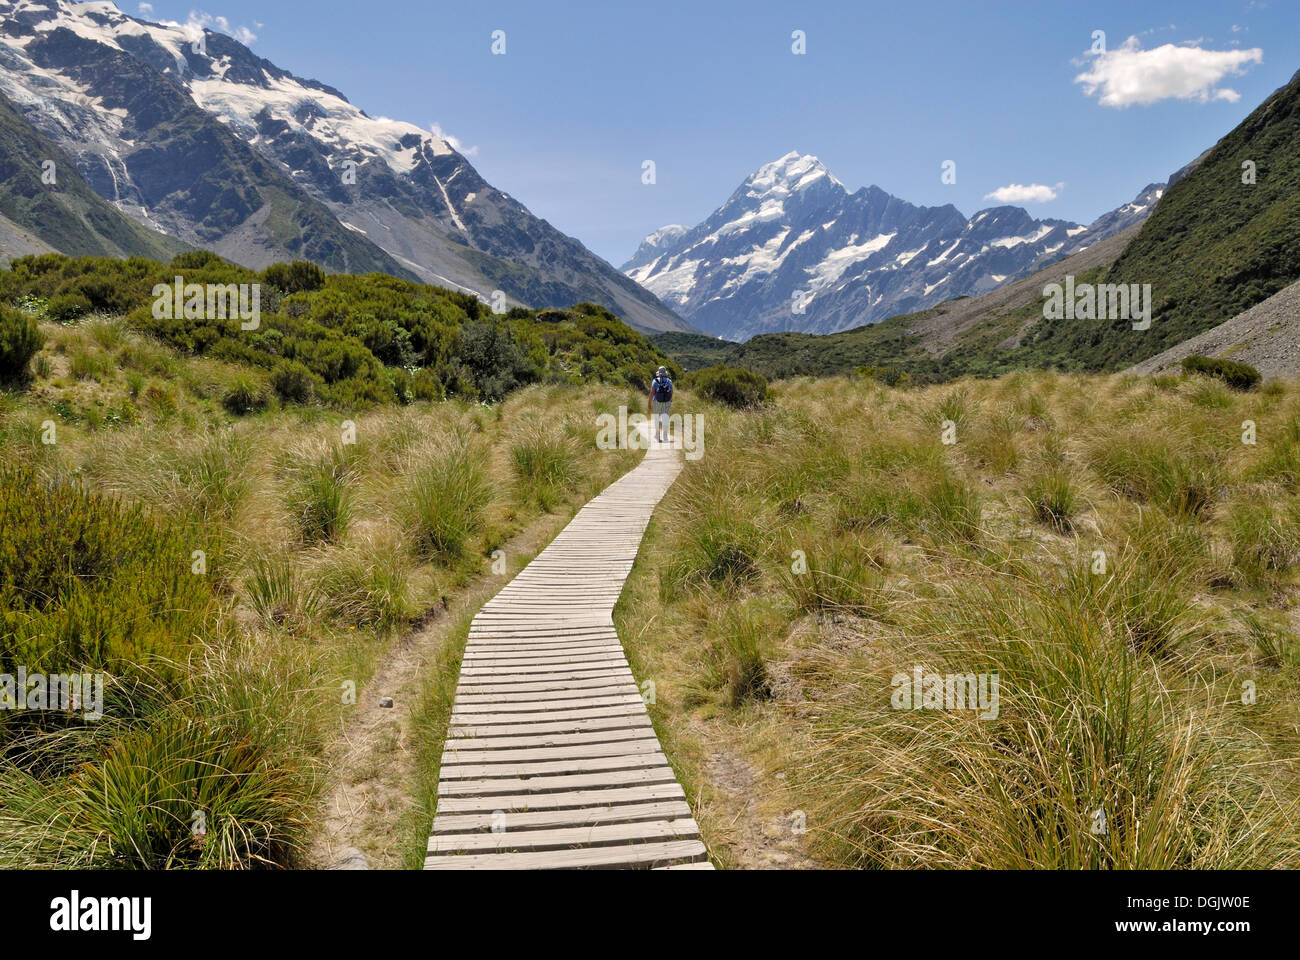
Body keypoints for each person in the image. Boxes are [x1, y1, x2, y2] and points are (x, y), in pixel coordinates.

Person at [648, 366, 674, 443]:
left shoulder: (655, 381)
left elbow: (652, 393)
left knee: (657, 419)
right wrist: (670, 400)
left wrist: (649, 403)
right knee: (665, 418)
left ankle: (657, 436)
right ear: (665, 373)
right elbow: (672, 391)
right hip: (667, 402)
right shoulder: (669, 381)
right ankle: (665, 436)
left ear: (659, 373)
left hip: (657, 402)